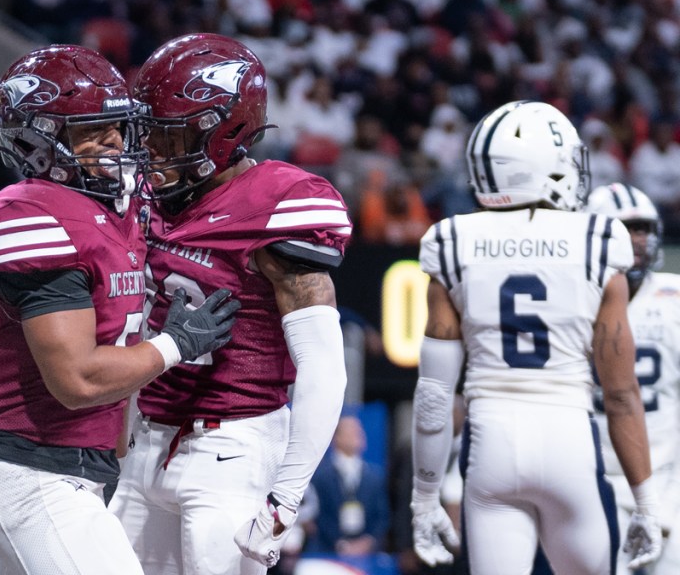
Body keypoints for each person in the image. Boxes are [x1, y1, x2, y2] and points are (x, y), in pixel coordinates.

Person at [0, 44, 240, 575]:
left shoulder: (111, 212)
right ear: (38, 144)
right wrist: (175, 344)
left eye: (117, 128)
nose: (115, 145)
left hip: (76, 471)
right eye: (92, 132)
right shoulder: (30, 214)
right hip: (36, 471)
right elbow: (77, 379)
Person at [108, 33, 351, 575]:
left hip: (232, 446)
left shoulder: (278, 205)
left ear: (224, 132)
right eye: (145, 133)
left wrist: (287, 494)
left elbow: (324, 366)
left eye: (167, 136)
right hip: (146, 436)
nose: (150, 151)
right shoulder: (144, 199)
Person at [409, 100, 663, 574]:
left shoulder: (451, 239)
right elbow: (622, 394)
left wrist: (424, 500)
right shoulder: (599, 239)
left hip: (490, 446)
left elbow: (434, 395)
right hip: (568, 439)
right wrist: (646, 502)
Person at [586, 182, 680, 574]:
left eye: (643, 228)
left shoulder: (675, 296)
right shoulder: (573, 299)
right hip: (595, 479)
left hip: (669, 478)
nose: (637, 239)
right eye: (625, 228)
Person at [304, 414, 390, 557]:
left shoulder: (375, 476)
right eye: (351, 431)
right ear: (335, 438)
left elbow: (382, 515)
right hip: (327, 553)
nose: (358, 434)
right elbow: (316, 517)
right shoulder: (320, 477)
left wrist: (368, 542)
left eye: (359, 430)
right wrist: (339, 544)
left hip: (368, 555)